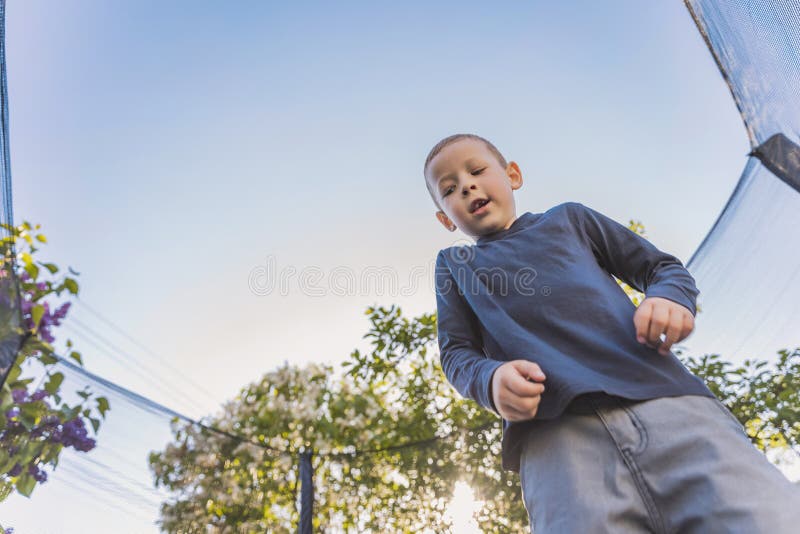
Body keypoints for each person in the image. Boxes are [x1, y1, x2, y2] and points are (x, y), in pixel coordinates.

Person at [425, 133, 800, 533]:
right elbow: (456, 353)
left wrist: (669, 299)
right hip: (557, 446)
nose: (466, 185)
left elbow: (661, 268)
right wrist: (491, 378)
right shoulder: (454, 264)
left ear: (513, 175)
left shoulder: (570, 219)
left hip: (666, 404)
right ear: (446, 219)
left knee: (767, 520)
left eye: (477, 171)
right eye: (449, 189)